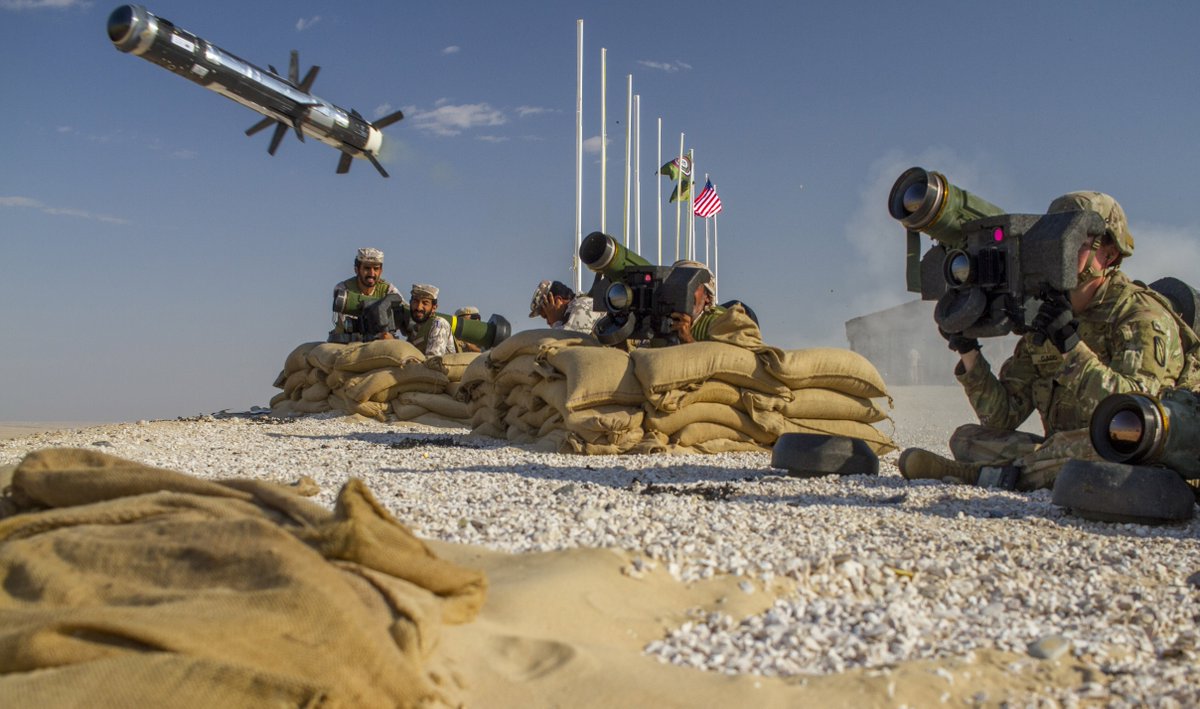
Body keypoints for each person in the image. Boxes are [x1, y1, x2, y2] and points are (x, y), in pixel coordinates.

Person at [899, 191, 1196, 490]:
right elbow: (1002, 418)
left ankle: (984, 475)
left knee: (1096, 447)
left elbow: (1136, 417)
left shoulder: (1141, 316)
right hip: (1064, 450)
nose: (1058, 253)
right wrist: (968, 351)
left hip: (1128, 447)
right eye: (1052, 242)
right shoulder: (1047, 312)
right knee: (967, 438)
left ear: (1109, 253)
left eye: (1074, 242)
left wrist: (1071, 347)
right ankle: (1039, 468)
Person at [330, 247, 403, 340]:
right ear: (356, 270)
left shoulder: (389, 290)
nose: (371, 273)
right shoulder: (343, 289)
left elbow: (402, 312)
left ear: (381, 271)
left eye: (376, 269)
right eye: (367, 268)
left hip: (380, 340)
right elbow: (347, 321)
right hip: (348, 339)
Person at [528, 280, 600, 334]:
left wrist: (555, 322)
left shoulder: (581, 306)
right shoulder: (571, 312)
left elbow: (564, 347)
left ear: (557, 301)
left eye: (546, 315)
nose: (548, 322)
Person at [406, 284, 457, 356]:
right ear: (410, 303)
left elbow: (433, 359)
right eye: (415, 302)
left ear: (434, 308)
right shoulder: (415, 330)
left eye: (425, 303)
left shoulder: (438, 324)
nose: (419, 307)